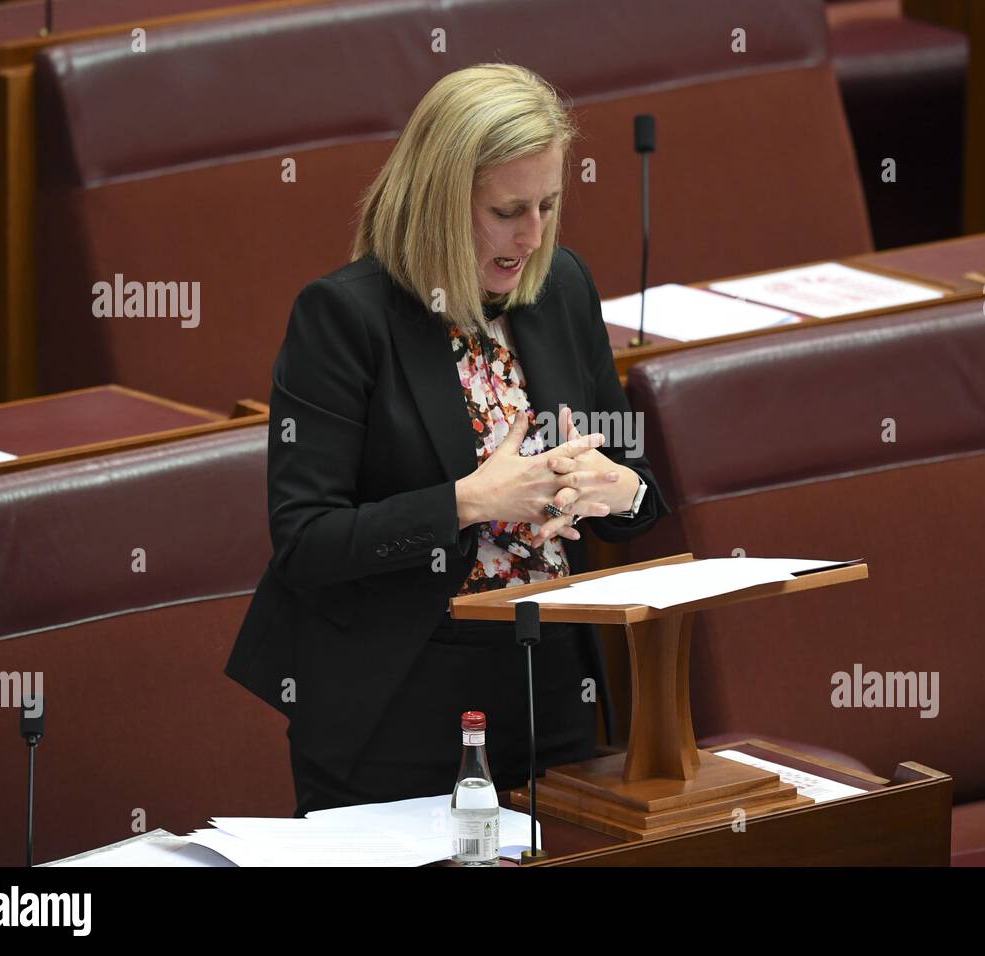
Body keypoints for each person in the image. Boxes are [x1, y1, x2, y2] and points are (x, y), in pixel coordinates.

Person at [225, 63, 668, 816]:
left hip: (551, 681)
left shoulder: (561, 288)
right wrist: (465, 502)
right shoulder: (343, 318)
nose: (532, 235)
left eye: (549, 205)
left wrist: (617, 489)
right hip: (399, 699)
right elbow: (306, 541)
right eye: (507, 211)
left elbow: (633, 481)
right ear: (439, 201)